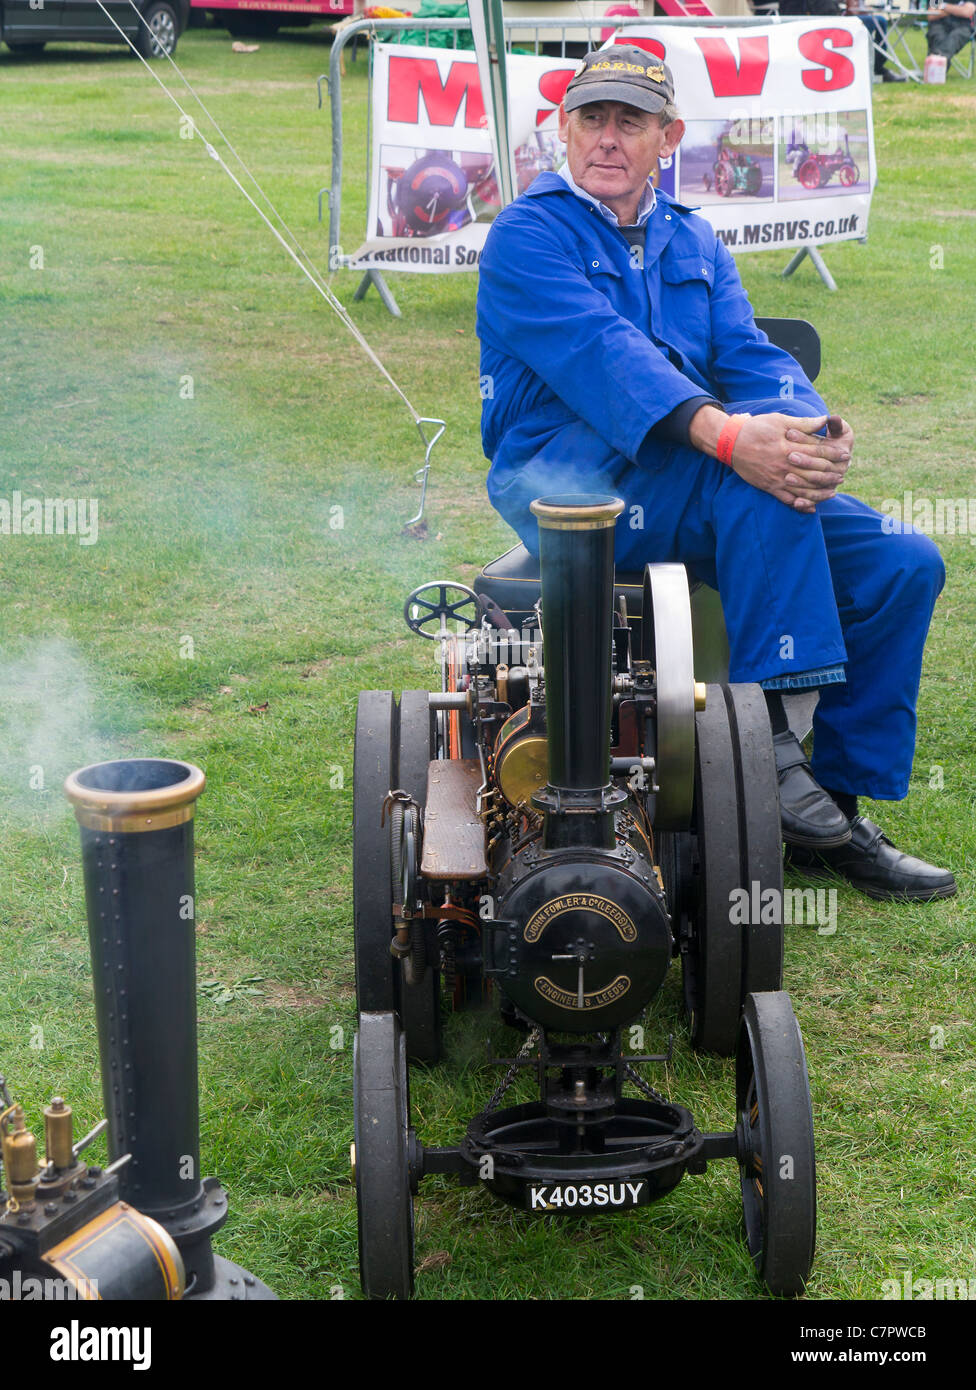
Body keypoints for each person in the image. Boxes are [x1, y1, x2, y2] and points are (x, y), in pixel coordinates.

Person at [476, 46, 956, 902]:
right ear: (563, 128)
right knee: (754, 484)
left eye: (631, 121)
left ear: (669, 136)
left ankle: (832, 813)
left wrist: (809, 432)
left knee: (901, 562)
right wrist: (736, 440)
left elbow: (748, 354)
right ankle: (765, 754)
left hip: (693, 467)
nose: (608, 139)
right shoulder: (528, 234)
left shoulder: (690, 234)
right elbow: (603, 355)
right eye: (591, 118)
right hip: (574, 486)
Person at [777, 0, 908, 82]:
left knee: (880, 21)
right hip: (822, 23)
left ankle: (878, 67)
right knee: (876, 21)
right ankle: (874, 68)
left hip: (834, 17)